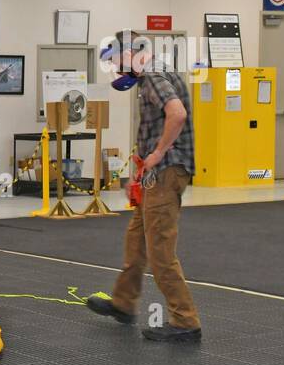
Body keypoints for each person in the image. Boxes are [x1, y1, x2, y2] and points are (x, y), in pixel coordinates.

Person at [86, 32, 201, 342]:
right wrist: (139, 173)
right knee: (136, 239)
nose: (114, 69)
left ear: (132, 53)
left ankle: (185, 319)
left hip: (166, 172)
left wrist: (158, 154)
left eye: (115, 61)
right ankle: (124, 303)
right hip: (156, 174)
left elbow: (177, 114)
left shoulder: (154, 75)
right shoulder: (152, 76)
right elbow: (156, 127)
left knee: (160, 250)